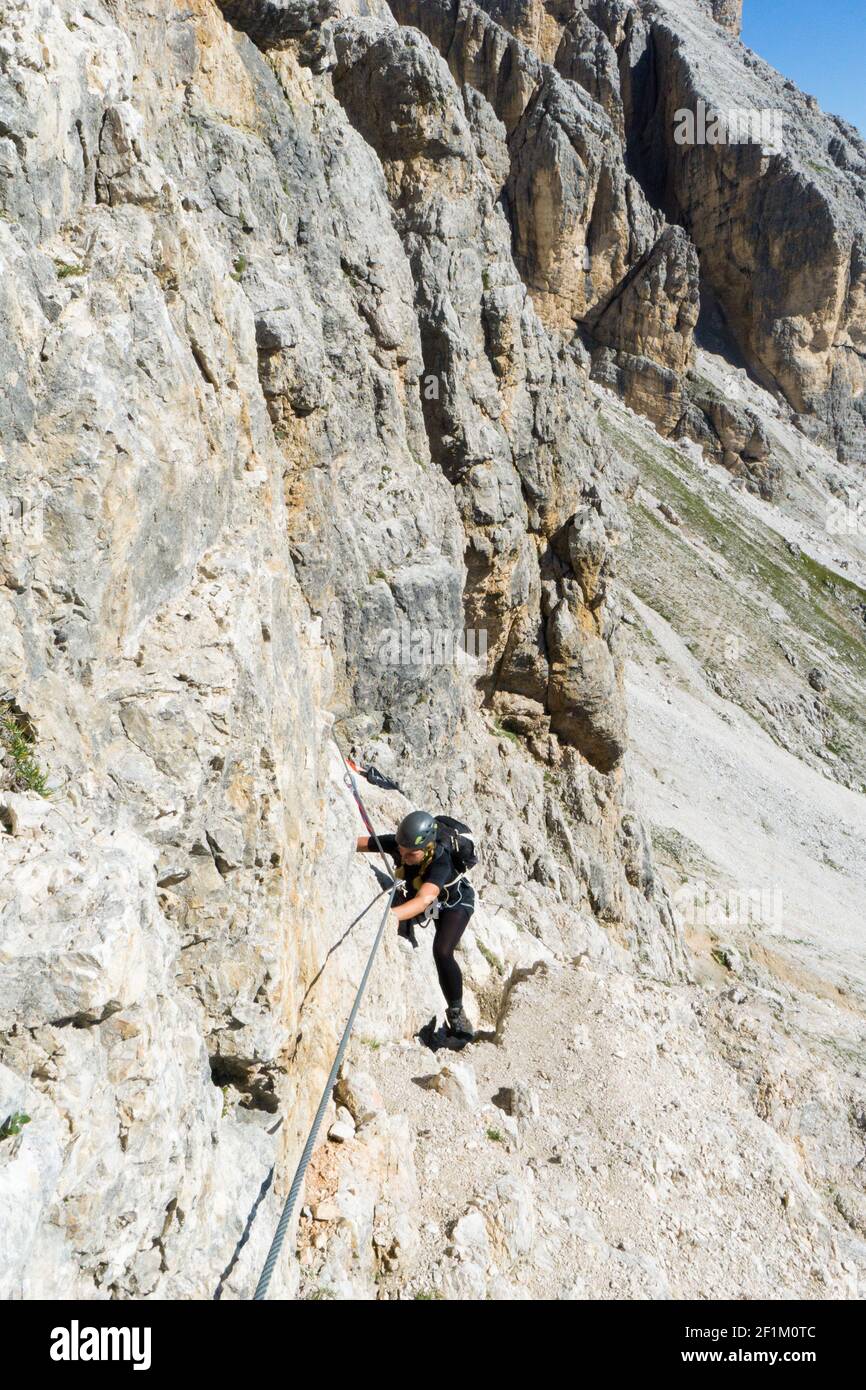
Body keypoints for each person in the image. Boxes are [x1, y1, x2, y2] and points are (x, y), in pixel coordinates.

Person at [357, 810, 475, 1039]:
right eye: (400, 851)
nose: (403, 857)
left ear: (428, 847)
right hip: (430, 901)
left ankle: (457, 1013)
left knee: (442, 951)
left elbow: (424, 900)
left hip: (454, 903)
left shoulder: (441, 861)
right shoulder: (402, 845)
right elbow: (359, 843)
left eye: (410, 855)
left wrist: (388, 916)